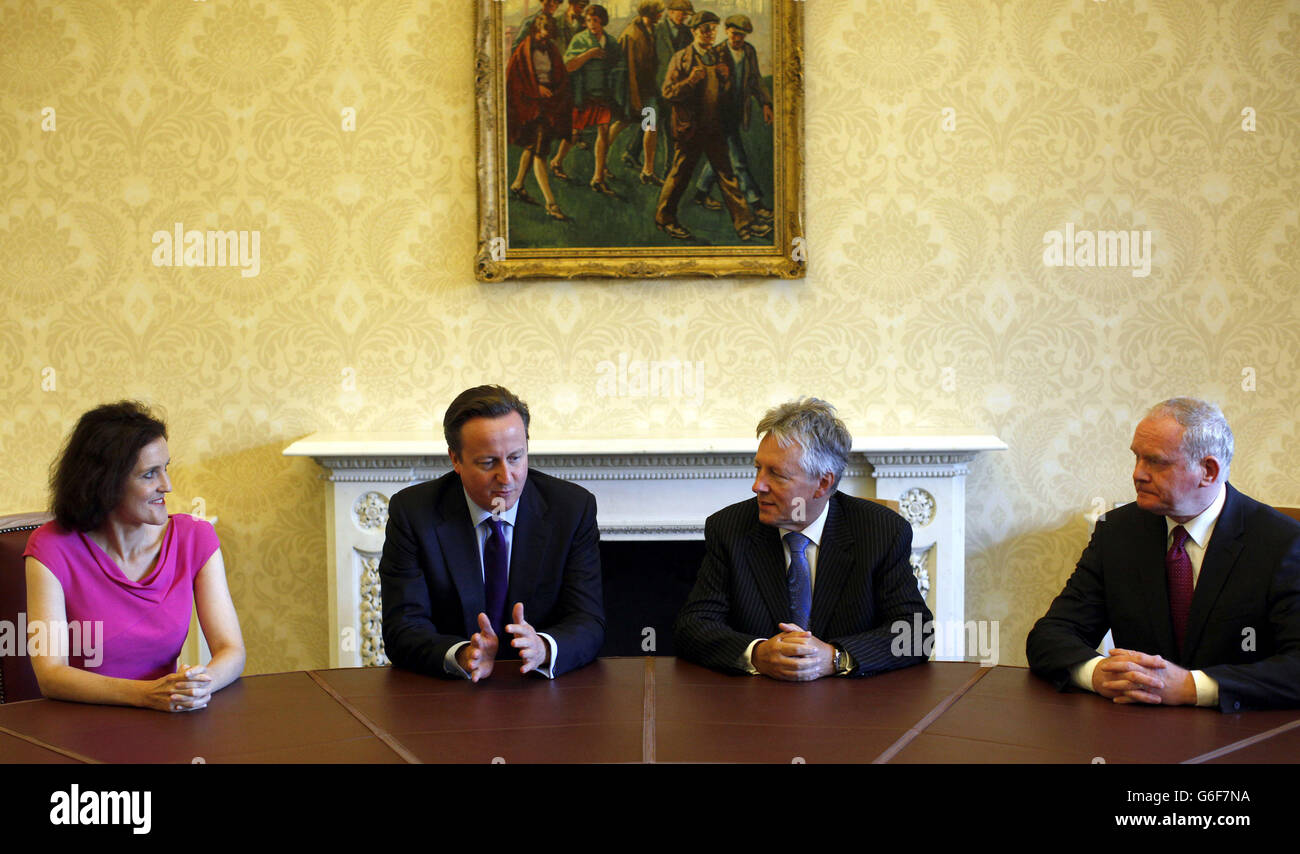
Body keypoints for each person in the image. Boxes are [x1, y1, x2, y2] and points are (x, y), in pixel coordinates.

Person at [1026, 398, 1300, 711]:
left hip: (1243, 734)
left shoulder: (1282, 542)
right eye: (1137, 458)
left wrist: (1192, 687)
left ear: (1208, 471)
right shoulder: (1117, 532)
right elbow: (1050, 635)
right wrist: (1098, 673)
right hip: (1137, 732)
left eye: (1156, 462)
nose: (1138, 474)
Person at [674, 398, 932, 680]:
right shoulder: (730, 528)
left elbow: (916, 632)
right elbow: (693, 627)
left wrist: (835, 657)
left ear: (822, 483)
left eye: (777, 474)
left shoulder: (881, 531)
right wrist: (758, 654)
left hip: (853, 707)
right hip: (757, 703)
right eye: (758, 468)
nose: (757, 485)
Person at [23, 401, 245, 712]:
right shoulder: (50, 547)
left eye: (165, 468)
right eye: (149, 475)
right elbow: (51, 675)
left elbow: (230, 649)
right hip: (80, 723)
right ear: (105, 483)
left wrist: (194, 686)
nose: (166, 486)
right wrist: (146, 695)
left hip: (166, 719)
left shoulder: (195, 538)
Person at [379, 385, 604, 681]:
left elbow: (589, 621)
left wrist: (544, 648)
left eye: (515, 458)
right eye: (488, 463)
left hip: (542, 688)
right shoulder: (413, 513)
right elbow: (403, 629)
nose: (506, 477)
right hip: (452, 692)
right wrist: (461, 654)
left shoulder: (572, 509)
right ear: (455, 460)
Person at [654, 11, 770, 241]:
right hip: (690, 129)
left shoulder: (716, 57)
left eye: (713, 29)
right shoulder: (682, 58)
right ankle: (664, 218)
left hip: (714, 127)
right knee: (679, 176)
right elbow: (667, 92)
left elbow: (720, 94)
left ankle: (745, 224)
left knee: (728, 176)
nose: (710, 34)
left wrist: (725, 79)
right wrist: (690, 81)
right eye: (705, 29)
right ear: (694, 31)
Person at [693, 14, 772, 219]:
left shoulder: (748, 51)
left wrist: (765, 104)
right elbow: (706, 87)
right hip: (718, 115)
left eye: (742, 36)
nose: (738, 39)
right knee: (738, 161)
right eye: (735, 34)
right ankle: (756, 203)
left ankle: (700, 193)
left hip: (737, 113)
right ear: (727, 31)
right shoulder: (715, 53)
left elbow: (755, 80)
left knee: (719, 155)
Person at [551, 4, 626, 195]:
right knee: (575, 132)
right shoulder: (580, 39)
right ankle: (557, 161)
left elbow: (619, 63)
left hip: (603, 94)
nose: (592, 24)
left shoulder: (610, 41)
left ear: (603, 21)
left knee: (603, 131)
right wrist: (589, 54)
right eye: (589, 20)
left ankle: (598, 178)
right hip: (583, 94)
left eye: (596, 20)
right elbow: (567, 66)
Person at [507, 13, 572, 220]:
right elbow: (515, 80)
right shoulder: (523, 51)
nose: (546, 40)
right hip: (530, 107)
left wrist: (552, 90)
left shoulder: (550, 48)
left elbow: (560, 74)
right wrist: (537, 89)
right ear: (536, 31)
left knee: (533, 146)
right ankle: (551, 203)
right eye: (543, 36)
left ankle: (517, 184)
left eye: (549, 37)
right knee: (540, 153)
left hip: (547, 105)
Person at [610, 0, 664, 186]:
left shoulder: (651, 30)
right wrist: (633, 96)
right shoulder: (631, 34)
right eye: (658, 12)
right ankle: (600, 161)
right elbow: (628, 69)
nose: (661, 15)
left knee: (651, 123)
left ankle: (648, 170)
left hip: (647, 88)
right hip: (632, 89)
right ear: (649, 13)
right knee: (622, 122)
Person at [648, 0, 694, 175]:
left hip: (673, 88)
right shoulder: (655, 30)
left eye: (686, 14)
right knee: (648, 124)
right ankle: (634, 155)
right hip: (652, 86)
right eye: (680, 12)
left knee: (670, 127)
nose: (683, 17)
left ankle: (669, 167)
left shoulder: (687, 33)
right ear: (669, 12)